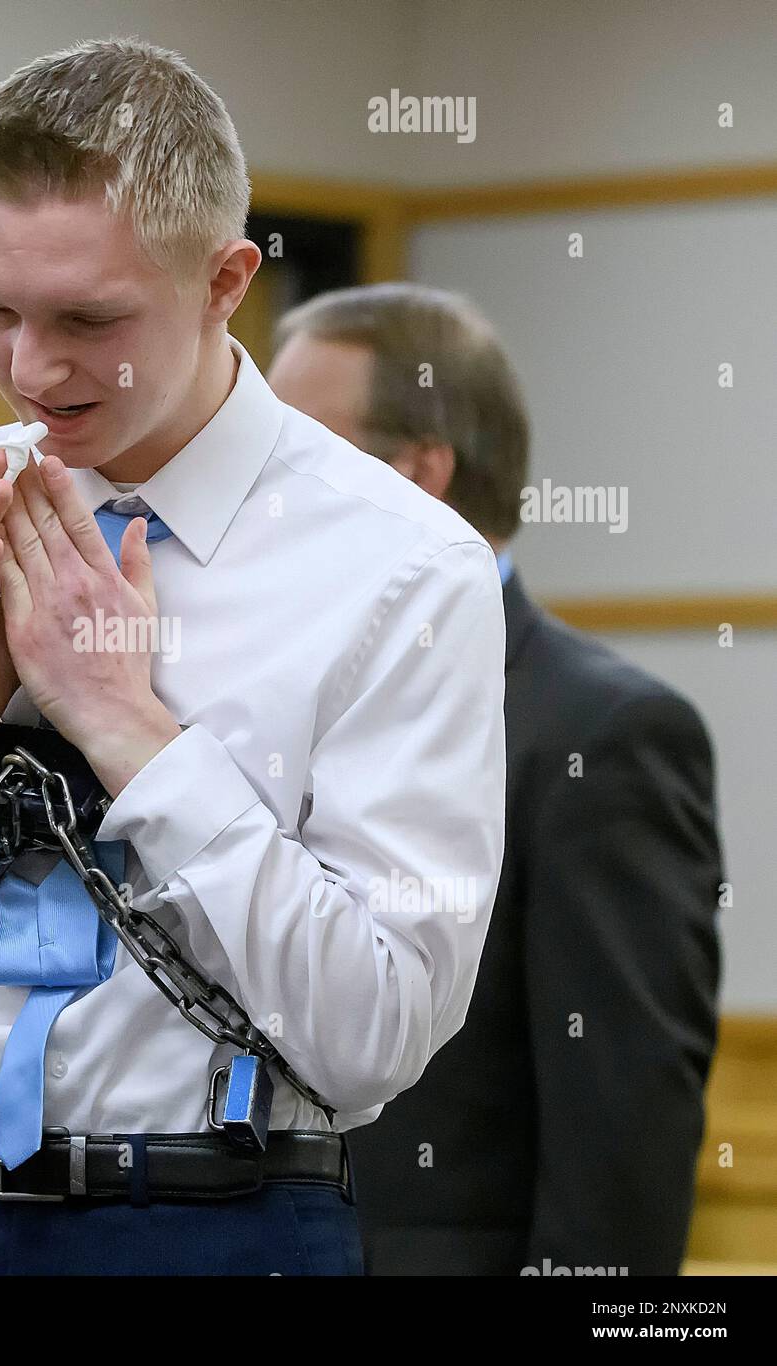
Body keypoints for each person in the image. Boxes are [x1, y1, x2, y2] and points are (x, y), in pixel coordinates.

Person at [0, 41, 507, 1277]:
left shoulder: (403, 572)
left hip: (218, 1224)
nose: (33, 369)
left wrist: (132, 736)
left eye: (90, 319)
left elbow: (376, 1031)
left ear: (224, 280)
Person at [267, 282, 723, 1275]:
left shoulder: (600, 731)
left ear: (419, 474)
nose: (258, 483)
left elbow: (622, 1130)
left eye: (293, 448)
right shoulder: (265, 694)